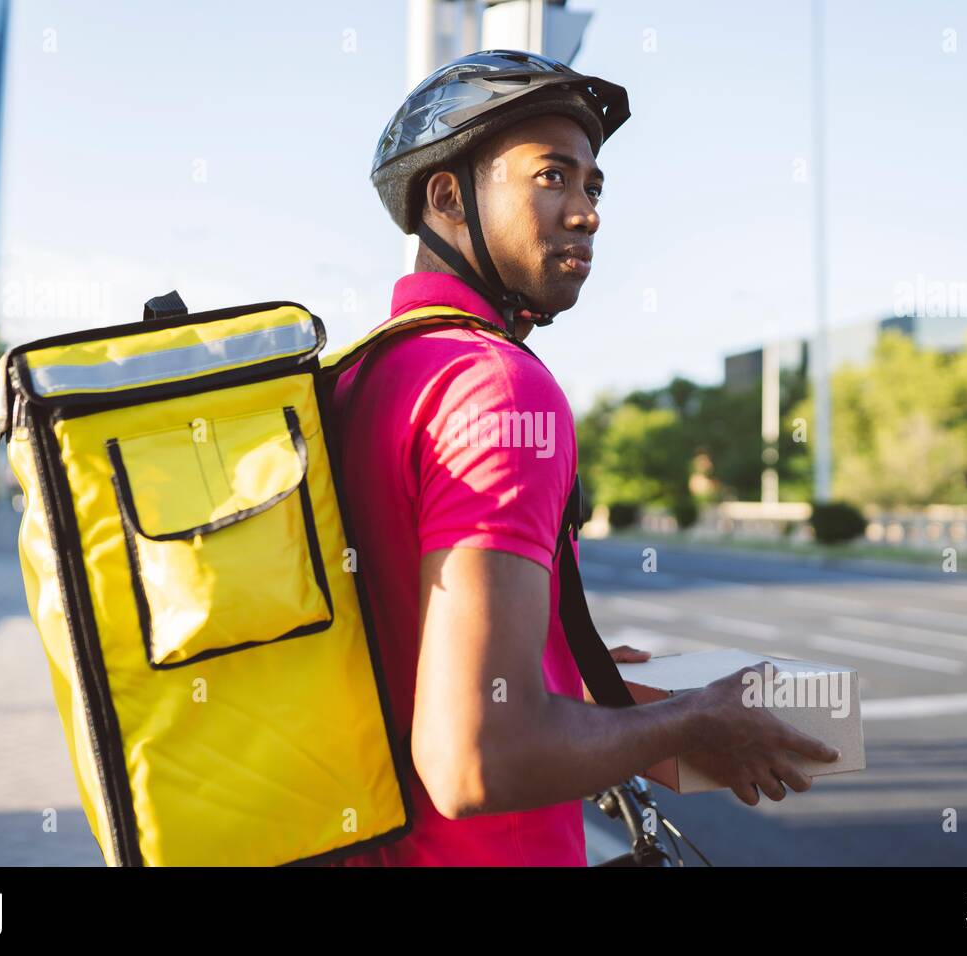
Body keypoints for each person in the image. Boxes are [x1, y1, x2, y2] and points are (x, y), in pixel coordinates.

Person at [333, 50, 837, 867]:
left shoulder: (364, 377)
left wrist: (569, 672)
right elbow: (476, 757)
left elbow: (407, 638)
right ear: (446, 196)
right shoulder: (495, 388)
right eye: (551, 177)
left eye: (593, 186)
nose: (587, 211)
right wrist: (691, 722)